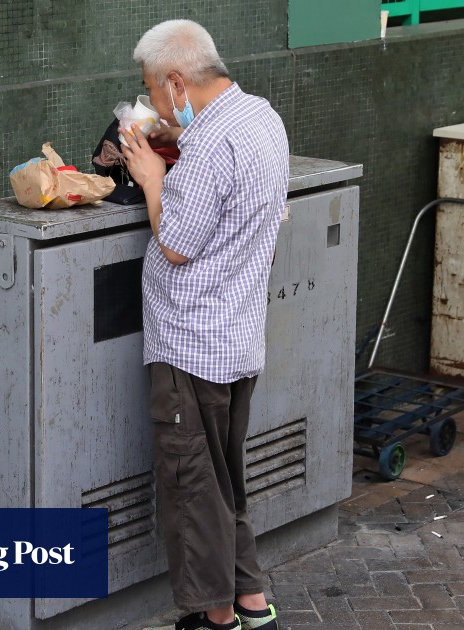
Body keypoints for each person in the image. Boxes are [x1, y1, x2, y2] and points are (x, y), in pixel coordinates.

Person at [119, 18, 288, 630]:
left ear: (175, 81)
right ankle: (251, 601)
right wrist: (175, 143)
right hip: (238, 337)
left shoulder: (209, 143)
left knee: (194, 489)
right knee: (224, 478)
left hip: (191, 343)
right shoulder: (260, 117)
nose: (155, 103)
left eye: (153, 89)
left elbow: (178, 244)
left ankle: (215, 618)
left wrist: (153, 180)